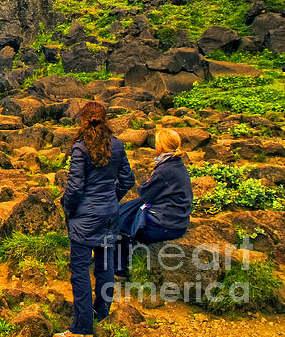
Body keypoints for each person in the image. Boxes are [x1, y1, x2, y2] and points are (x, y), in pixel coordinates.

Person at [57, 101, 135, 337]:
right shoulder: (117, 145)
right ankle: (101, 313)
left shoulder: (80, 148)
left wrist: (68, 208)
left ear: (83, 120)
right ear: (105, 119)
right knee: (105, 265)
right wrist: (112, 198)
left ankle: (82, 328)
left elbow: (75, 187)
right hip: (109, 214)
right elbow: (127, 180)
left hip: (85, 217)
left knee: (80, 270)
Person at [115, 128, 193, 278]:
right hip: (177, 220)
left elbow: (145, 192)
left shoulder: (165, 169)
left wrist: (144, 184)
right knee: (126, 211)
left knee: (121, 221)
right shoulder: (177, 164)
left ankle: (119, 269)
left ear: (160, 147)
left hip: (166, 225)